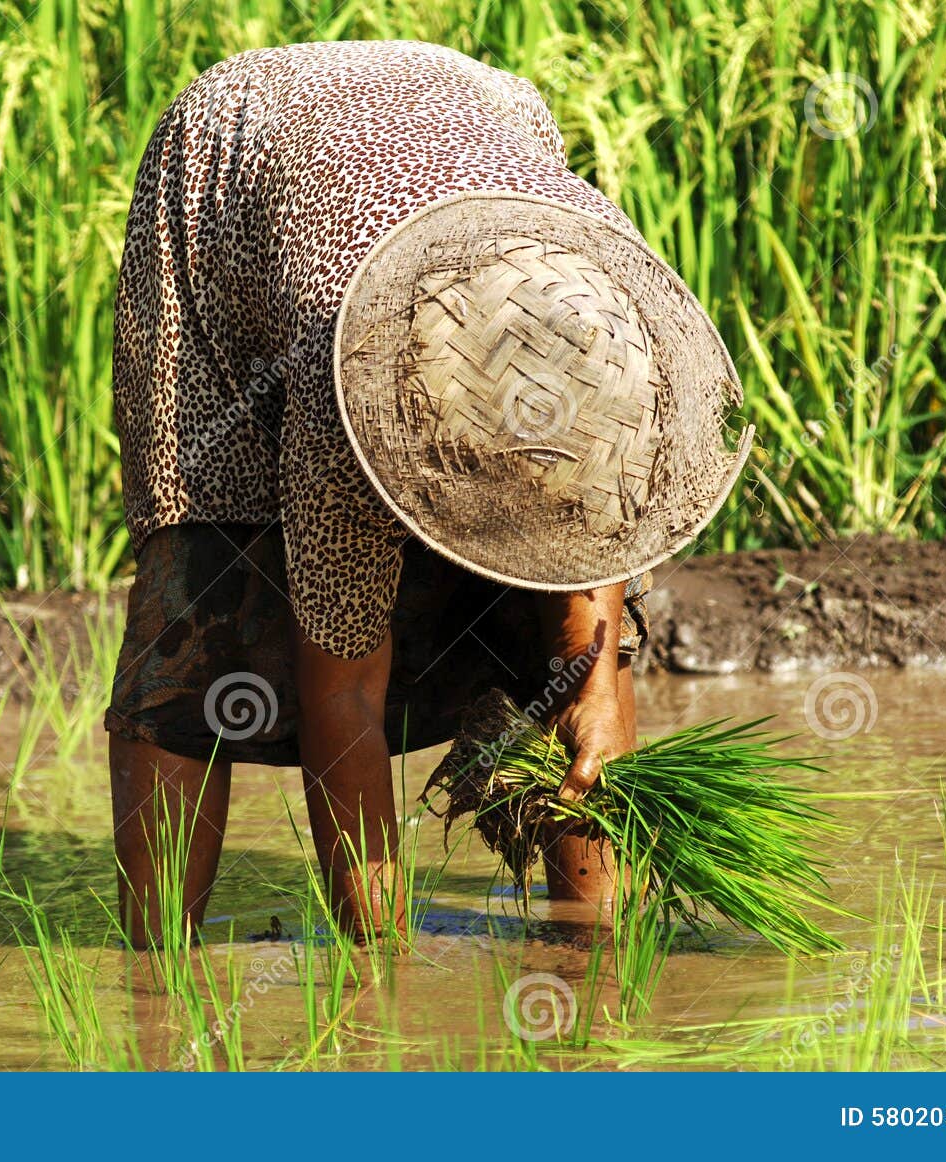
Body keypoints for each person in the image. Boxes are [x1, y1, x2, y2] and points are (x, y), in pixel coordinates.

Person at [105, 40, 748, 945]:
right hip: (227, 178)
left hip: (478, 112)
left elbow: (597, 521)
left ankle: (595, 945)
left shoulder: (607, 322)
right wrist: (380, 971)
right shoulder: (349, 380)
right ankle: (155, 968)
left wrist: (595, 684)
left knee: (567, 647)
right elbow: (343, 696)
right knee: (201, 590)